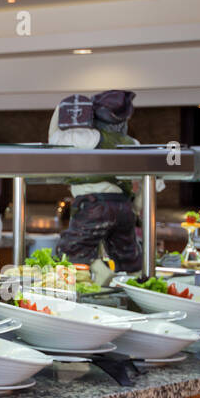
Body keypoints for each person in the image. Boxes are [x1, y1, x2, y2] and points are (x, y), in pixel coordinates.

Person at [49, 91, 151, 272]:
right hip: (124, 208)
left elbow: (53, 142)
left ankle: (100, 272)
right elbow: (151, 181)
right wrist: (135, 207)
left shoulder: (85, 137)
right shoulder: (132, 143)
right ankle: (136, 281)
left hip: (94, 206)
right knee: (127, 257)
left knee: (71, 251)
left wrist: (61, 109)